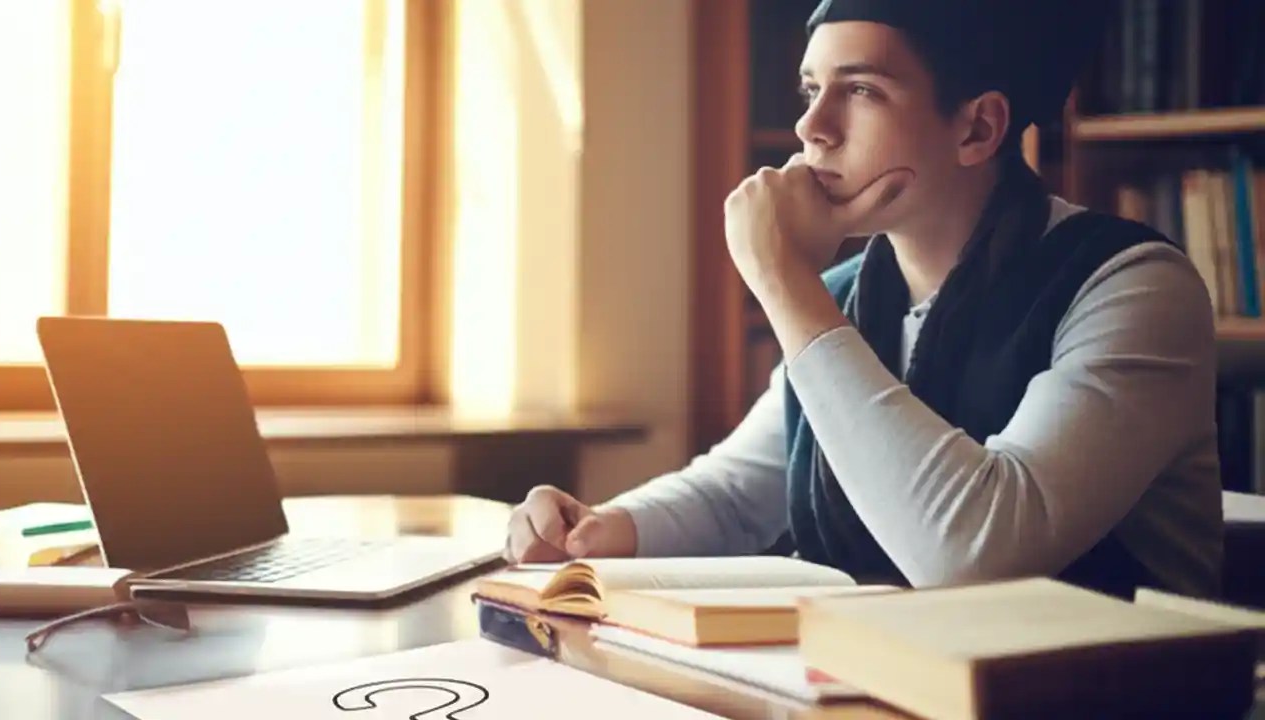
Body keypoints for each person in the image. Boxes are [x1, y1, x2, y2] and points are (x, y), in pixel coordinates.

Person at [505, 0, 1222, 598]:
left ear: (977, 127)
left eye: (861, 90)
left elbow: (978, 555)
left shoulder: (1133, 286)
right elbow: (733, 493)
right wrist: (597, 528)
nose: (811, 128)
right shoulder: (845, 296)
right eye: (810, 90)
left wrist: (784, 283)